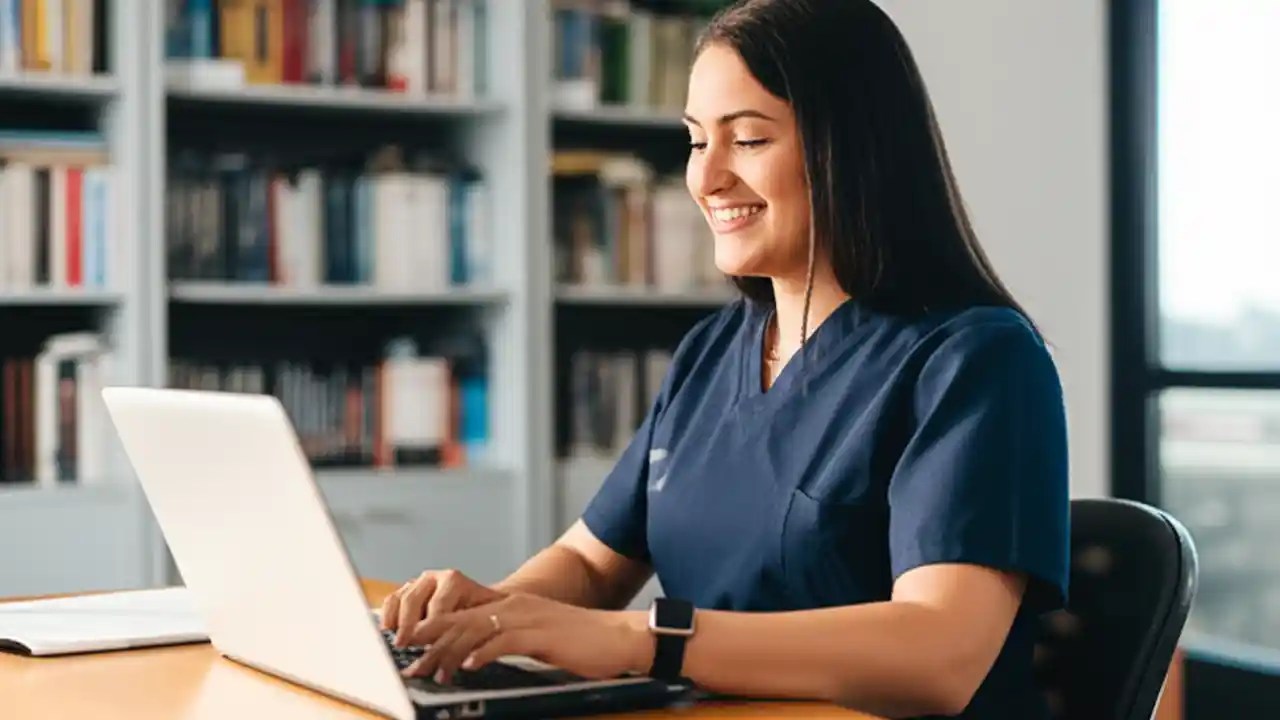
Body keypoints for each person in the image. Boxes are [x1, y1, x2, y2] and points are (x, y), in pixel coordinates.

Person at [381, 1, 1069, 717]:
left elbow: (939, 652)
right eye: (694, 141)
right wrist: (484, 615)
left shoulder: (978, 361)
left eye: (746, 140)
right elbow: (591, 562)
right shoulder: (712, 352)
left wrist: (642, 640)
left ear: (853, 148)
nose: (705, 179)